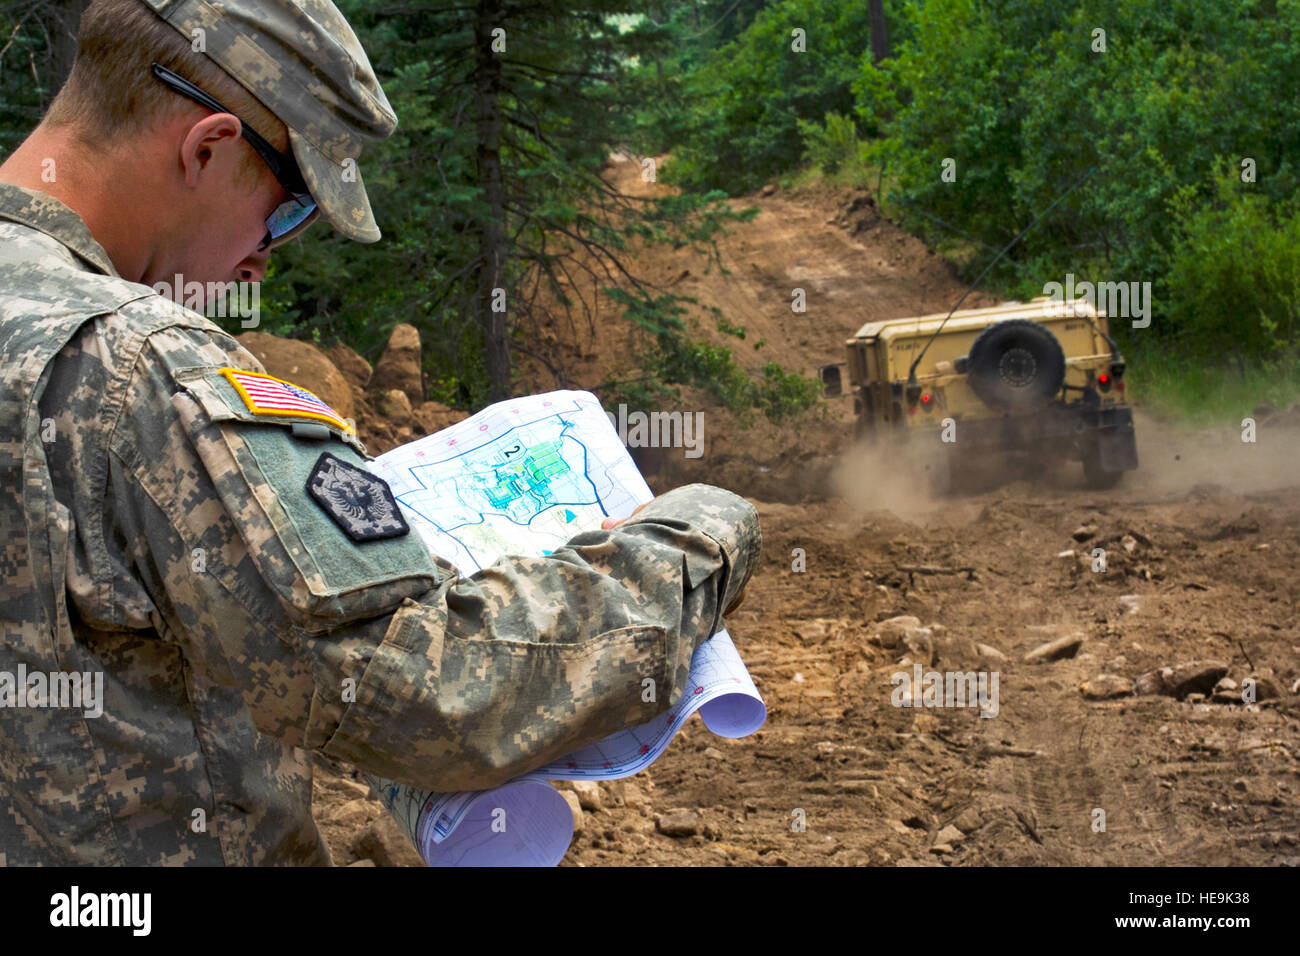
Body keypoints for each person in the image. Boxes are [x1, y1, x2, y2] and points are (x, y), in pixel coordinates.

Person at [0, 0, 760, 865]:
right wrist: (695, 544)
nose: (260, 261)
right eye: (288, 211)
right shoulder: (143, 367)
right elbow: (424, 689)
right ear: (207, 147)